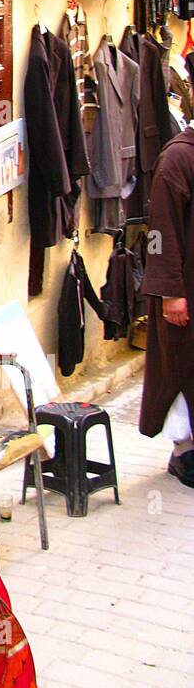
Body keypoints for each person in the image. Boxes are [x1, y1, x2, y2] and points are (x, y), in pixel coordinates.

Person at [139, 124, 194, 486]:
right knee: (180, 367)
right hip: (184, 287)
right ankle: (183, 451)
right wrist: (170, 292)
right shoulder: (176, 159)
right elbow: (162, 231)